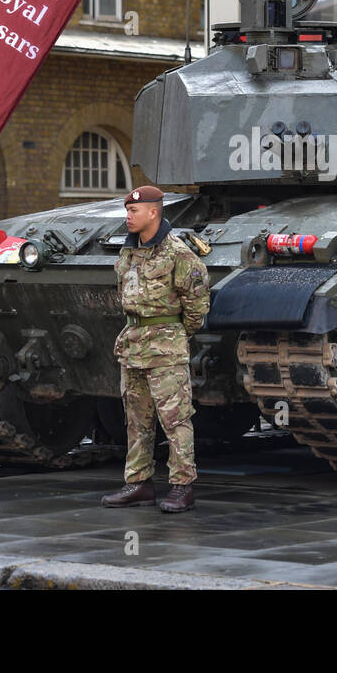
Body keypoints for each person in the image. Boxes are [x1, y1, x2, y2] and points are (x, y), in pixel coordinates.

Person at [103, 185, 210, 513]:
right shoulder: (128, 251)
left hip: (165, 346)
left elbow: (197, 306)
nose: (128, 216)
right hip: (133, 344)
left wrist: (174, 333)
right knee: (137, 419)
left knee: (175, 419)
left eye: (134, 211)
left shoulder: (179, 253)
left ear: (154, 212)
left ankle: (182, 486)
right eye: (127, 210)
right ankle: (138, 483)